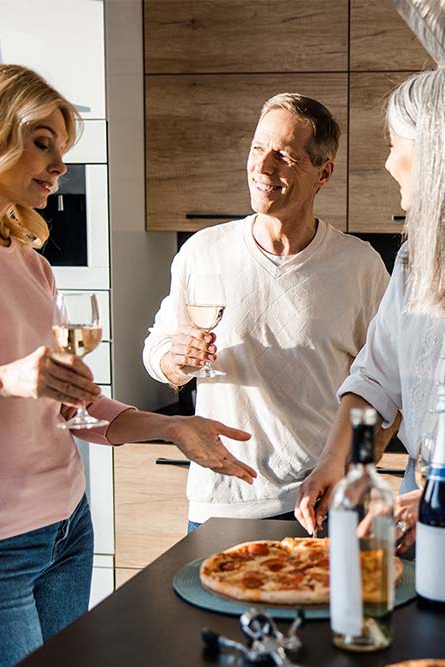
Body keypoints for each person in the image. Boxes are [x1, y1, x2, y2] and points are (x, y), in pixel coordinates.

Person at [0, 64, 257, 667]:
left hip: (67, 525)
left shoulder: (30, 264)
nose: (59, 165)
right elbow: (19, 380)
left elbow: (73, 413)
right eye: (41, 142)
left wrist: (169, 428)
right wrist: (11, 378)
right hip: (4, 545)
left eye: (62, 147)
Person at [143, 93, 389, 531]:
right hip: (222, 501)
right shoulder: (203, 252)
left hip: (322, 502)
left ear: (323, 173)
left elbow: (390, 380)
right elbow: (158, 351)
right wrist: (173, 360)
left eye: (285, 156)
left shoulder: (360, 265)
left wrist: (359, 467)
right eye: (258, 148)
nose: (262, 167)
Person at [295, 66, 445, 554]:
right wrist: (334, 461)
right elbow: (376, 377)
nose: (387, 163)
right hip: (416, 505)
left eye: (395, 144)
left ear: (433, 152)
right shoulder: (415, 258)